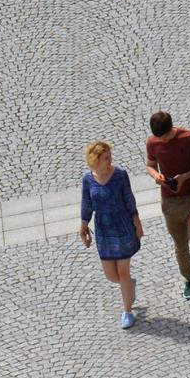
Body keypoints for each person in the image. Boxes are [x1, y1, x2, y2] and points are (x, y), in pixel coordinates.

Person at [144, 112, 190, 299]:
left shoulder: (189, 138)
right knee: (180, 245)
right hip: (169, 201)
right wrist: (156, 176)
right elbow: (150, 165)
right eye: (158, 137)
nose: (162, 139)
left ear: (171, 129)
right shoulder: (152, 142)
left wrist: (184, 176)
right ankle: (189, 279)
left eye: (164, 136)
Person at [78, 140, 143, 330]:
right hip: (103, 230)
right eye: (106, 158)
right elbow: (86, 203)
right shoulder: (87, 179)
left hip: (122, 226)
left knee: (123, 272)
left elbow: (129, 200)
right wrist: (83, 226)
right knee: (111, 275)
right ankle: (129, 285)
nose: (110, 160)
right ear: (95, 160)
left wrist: (137, 224)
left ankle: (127, 311)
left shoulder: (120, 175)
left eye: (110, 156)